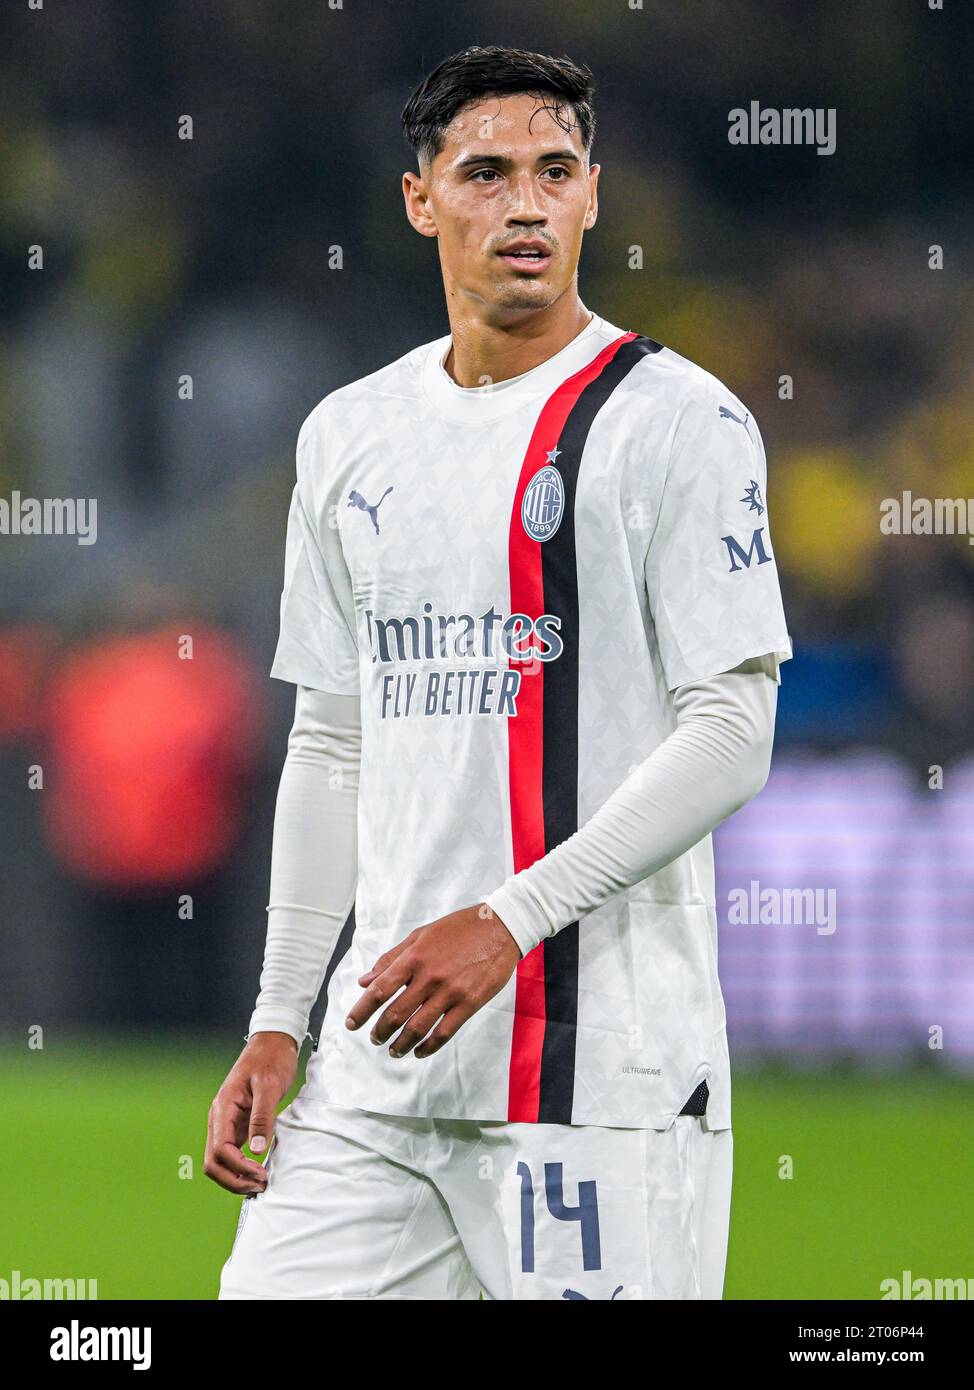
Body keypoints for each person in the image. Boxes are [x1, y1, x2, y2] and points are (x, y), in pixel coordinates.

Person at [208, 44, 792, 1301]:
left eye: (553, 171)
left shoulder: (679, 422)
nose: (523, 203)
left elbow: (733, 728)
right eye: (484, 173)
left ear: (593, 195)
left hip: (598, 1081)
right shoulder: (350, 434)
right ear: (419, 198)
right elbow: (329, 741)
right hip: (376, 1083)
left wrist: (507, 920)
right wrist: (277, 1014)